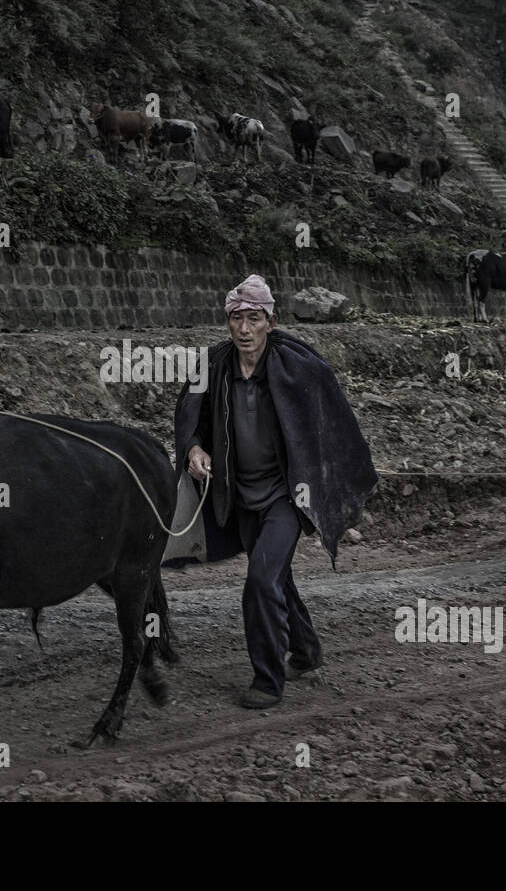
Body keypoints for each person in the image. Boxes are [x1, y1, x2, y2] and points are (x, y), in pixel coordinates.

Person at [173, 275, 378, 708]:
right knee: (277, 578)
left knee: (261, 579)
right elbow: (190, 419)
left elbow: (329, 425)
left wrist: (323, 481)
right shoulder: (211, 366)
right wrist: (193, 449)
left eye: (254, 319)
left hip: (284, 497)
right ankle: (306, 651)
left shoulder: (299, 367)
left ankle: (267, 680)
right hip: (238, 494)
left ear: (271, 320)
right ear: (227, 321)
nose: (244, 329)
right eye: (236, 319)